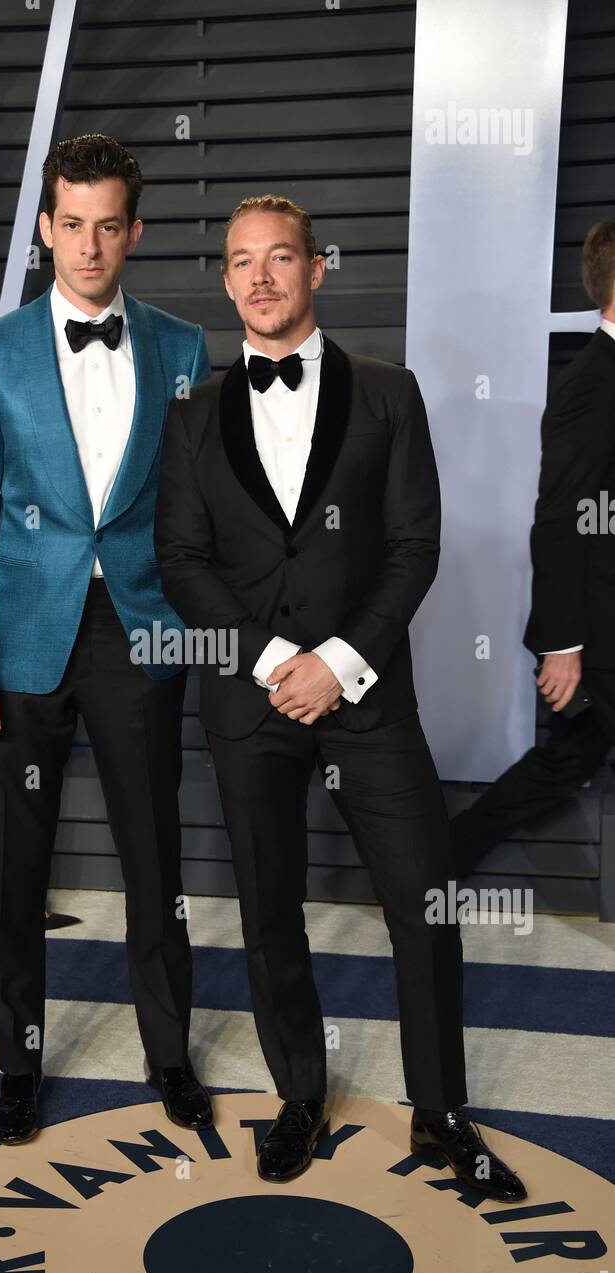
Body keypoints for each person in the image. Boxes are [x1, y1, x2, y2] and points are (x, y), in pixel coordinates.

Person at [155, 194, 526, 1199]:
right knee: (269, 910)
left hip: (367, 698)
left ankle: (440, 1112)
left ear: (316, 267)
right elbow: (181, 560)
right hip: (249, 701)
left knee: (424, 904)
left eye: (279, 257)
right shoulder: (188, 416)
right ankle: (298, 1095)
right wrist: (279, 660)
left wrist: (338, 662)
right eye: (241, 261)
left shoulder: (388, 392)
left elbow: (413, 546)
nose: (260, 276)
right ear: (225, 278)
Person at [0, 134, 213, 1145]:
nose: (88, 246)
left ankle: (169, 1055)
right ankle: (18, 1067)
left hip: (141, 631)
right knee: (14, 866)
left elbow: (196, 511)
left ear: (132, 232)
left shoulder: (183, 346)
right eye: (71, 224)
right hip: (20, 639)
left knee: (155, 859)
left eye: (107, 226)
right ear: (47, 230)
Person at [451, 221, 615, 877]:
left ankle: (437, 861)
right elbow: (558, 519)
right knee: (563, 761)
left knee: (564, 760)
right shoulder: (593, 384)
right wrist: (562, 644)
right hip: (599, 635)